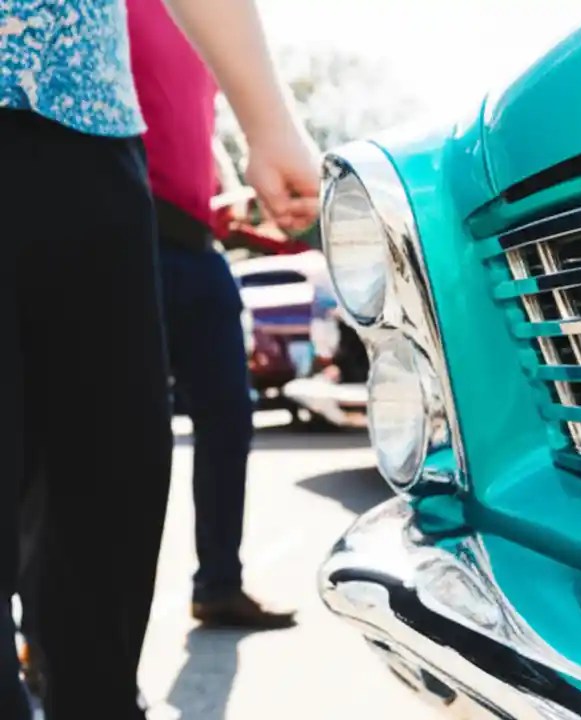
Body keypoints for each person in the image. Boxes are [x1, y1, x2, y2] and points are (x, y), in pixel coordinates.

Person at [0, 1, 317, 718]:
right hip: (124, 190)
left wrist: (266, 119)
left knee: (110, 487)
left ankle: (116, 675)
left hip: (94, 139)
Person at [128, 0, 306, 630]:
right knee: (107, 438)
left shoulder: (211, 28)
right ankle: (57, 636)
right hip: (124, 227)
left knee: (231, 414)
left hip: (197, 245)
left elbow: (192, 119)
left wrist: (233, 176)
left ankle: (219, 583)